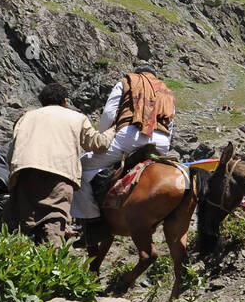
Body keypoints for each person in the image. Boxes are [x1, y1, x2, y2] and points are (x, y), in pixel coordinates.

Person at [6, 83, 116, 246]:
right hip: (59, 175)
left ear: (42, 102)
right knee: (53, 223)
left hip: (24, 174)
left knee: (26, 226)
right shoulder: (76, 118)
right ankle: (53, 268)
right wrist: (113, 129)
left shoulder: (26, 117)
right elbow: (98, 144)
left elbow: (12, 150)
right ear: (65, 101)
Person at [71, 62, 176, 222]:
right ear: (154, 75)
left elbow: (109, 113)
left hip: (128, 138)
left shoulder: (127, 81)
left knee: (80, 167)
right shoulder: (167, 91)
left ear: (137, 72)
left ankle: (91, 218)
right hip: (161, 142)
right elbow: (171, 123)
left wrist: (105, 136)